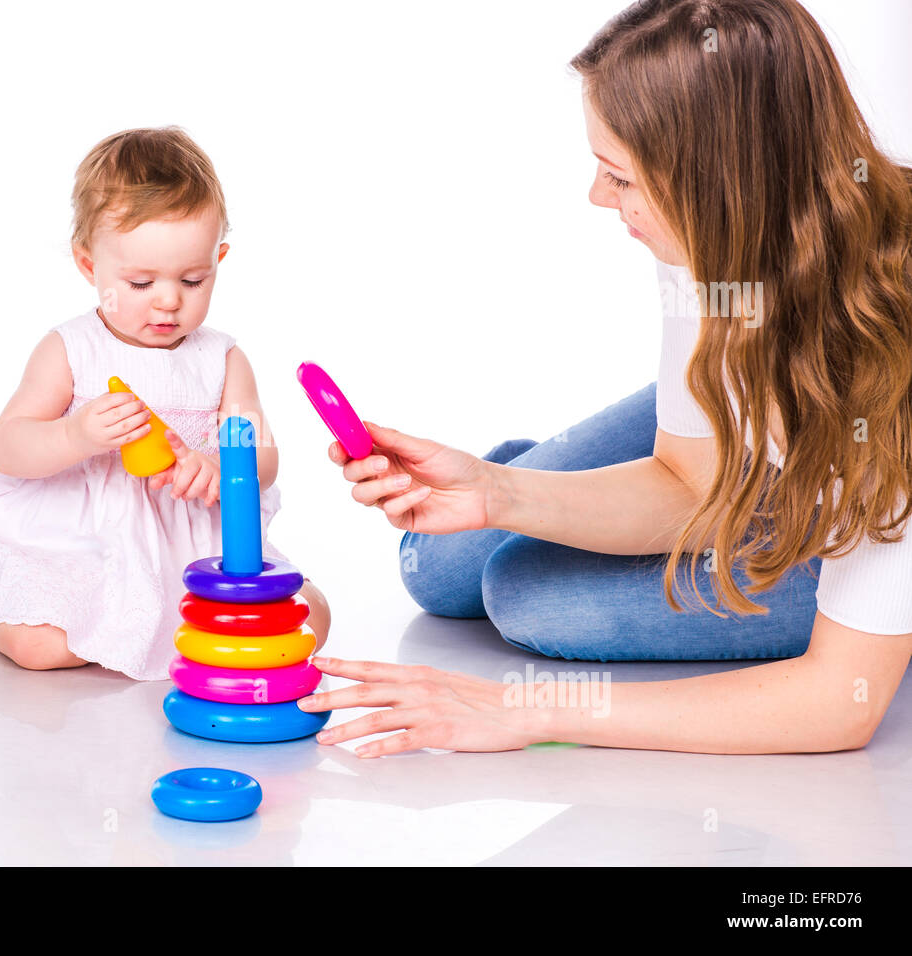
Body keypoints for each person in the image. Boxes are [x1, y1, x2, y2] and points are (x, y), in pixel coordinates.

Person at [297, 0, 911, 755]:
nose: (596, 197)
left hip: (863, 477)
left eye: (620, 177)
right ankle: (773, 493)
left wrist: (525, 710)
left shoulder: (882, 368)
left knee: (530, 598)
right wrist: (497, 491)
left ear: (719, 183)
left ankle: (871, 589)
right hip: (776, 434)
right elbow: (691, 480)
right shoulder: (711, 248)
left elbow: (837, 703)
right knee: (442, 565)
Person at [0, 127, 330, 679]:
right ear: (88, 265)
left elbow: (263, 460)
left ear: (218, 259)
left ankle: (174, 626)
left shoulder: (222, 359)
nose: (169, 300)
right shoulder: (71, 349)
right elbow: (9, 445)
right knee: (42, 649)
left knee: (310, 619)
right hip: (88, 548)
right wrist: (74, 435)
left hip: (192, 548)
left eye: (193, 280)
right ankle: (15, 615)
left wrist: (220, 468)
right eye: (141, 282)